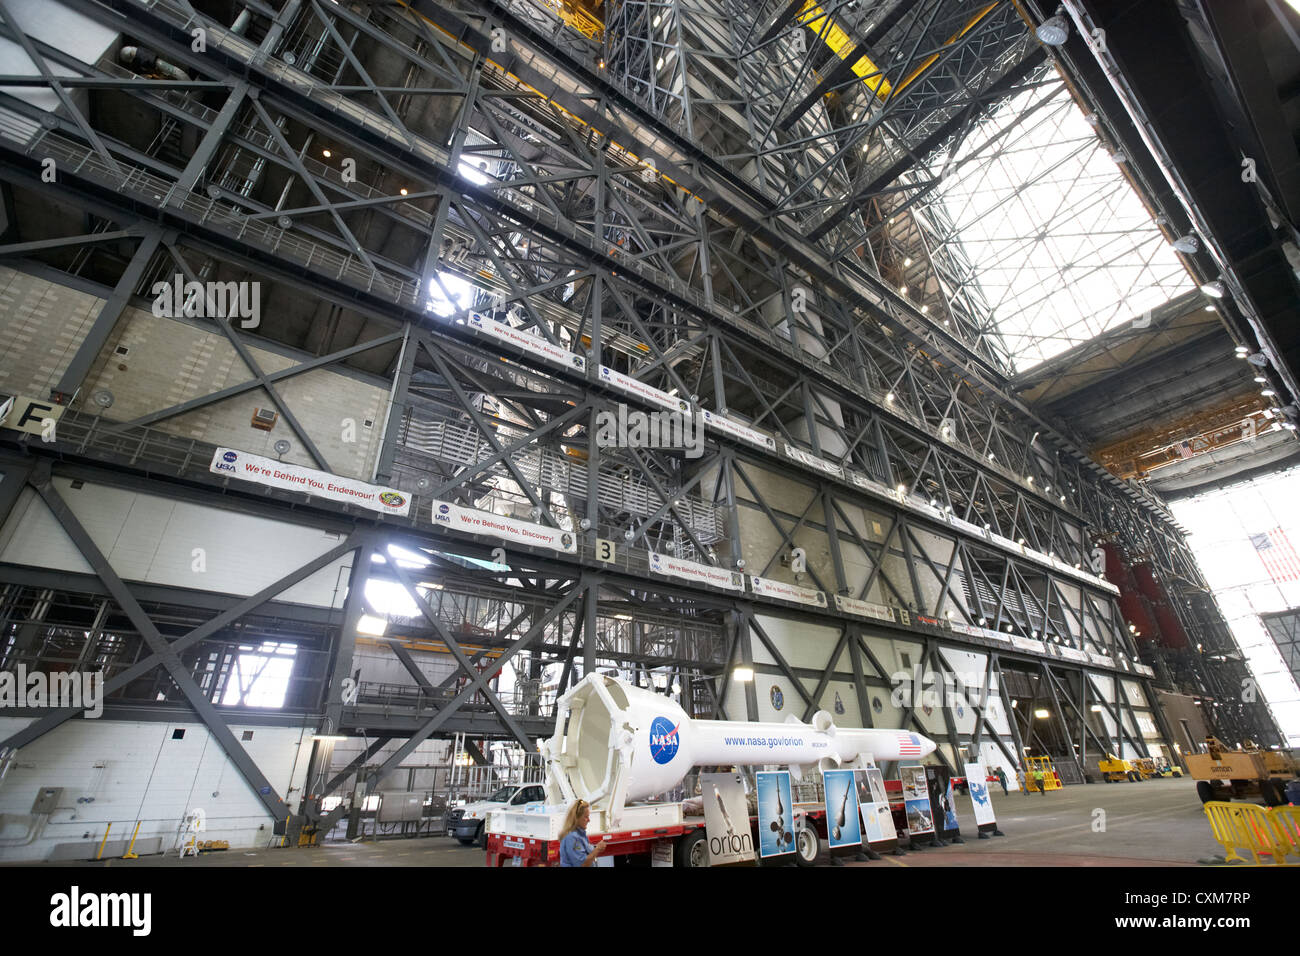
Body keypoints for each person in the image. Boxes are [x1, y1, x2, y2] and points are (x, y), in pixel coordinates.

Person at [558, 799, 610, 867]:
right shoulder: (572, 838)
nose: (589, 820)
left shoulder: (579, 835)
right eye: (586, 817)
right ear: (576, 818)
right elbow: (582, 864)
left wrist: (596, 849)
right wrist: (597, 849)